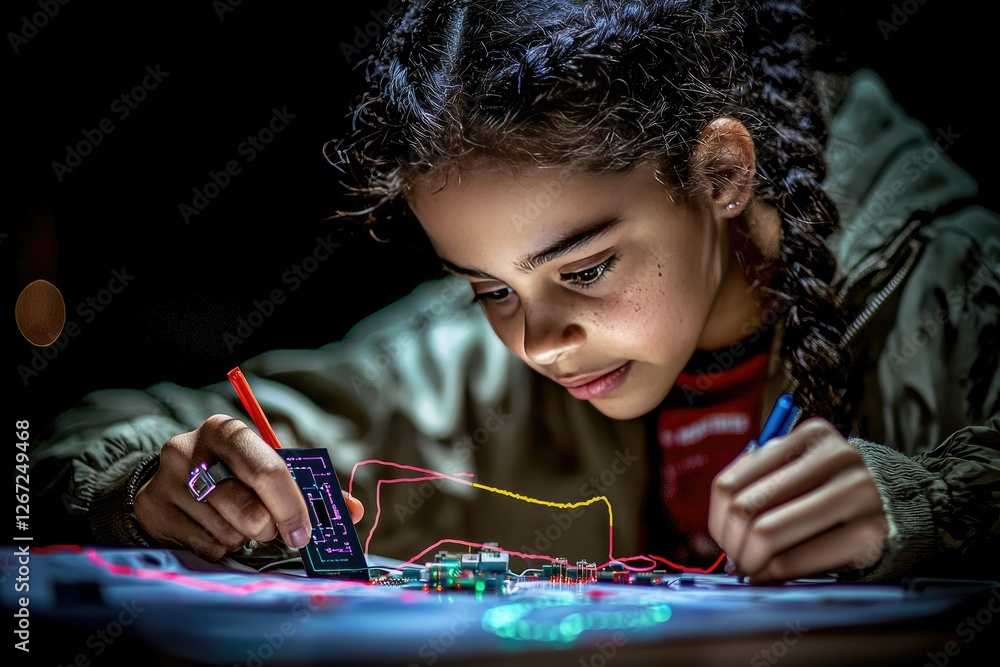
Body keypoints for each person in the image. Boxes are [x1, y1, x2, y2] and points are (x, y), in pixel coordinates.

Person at [29, 0, 998, 585]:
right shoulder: (476, 367)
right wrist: (150, 489)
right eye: (489, 287)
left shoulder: (946, 285)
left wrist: (935, 503)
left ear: (718, 174)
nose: (535, 341)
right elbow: (56, 446)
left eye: (584, 268)